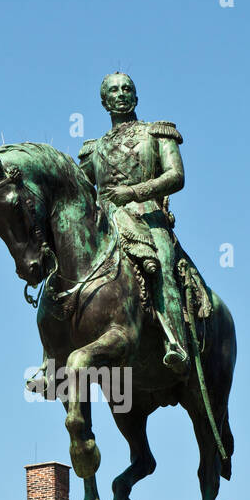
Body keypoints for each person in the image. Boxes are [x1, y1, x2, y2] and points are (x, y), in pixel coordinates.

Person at [78, 73, 191, 376]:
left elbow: (175, 176)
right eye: (113, 90)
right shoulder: (92, 151)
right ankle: (50, 358)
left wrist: (131, 193)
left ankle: (175, 343)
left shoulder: (157, 133)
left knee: (164, 265)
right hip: (105, 223)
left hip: (148, 216)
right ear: (104, 101)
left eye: (127, 88)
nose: (121, 93)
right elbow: (79, 193)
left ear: (136, 97)